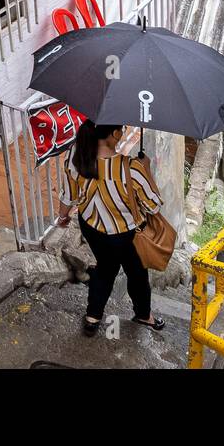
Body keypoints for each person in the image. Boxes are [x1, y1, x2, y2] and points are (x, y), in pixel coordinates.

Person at [56, 121, 165, 337]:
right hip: (126, 234)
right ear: (114, 134)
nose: (123, 133)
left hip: (91, 227)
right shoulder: (131, 168)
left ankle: (92, 318)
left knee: (105, 268)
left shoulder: (75, 156)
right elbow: (154, 206)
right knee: (137, 273)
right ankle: (144, 315)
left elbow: (69, 194)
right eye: (122, 130)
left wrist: (62, 216)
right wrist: (146, 169)